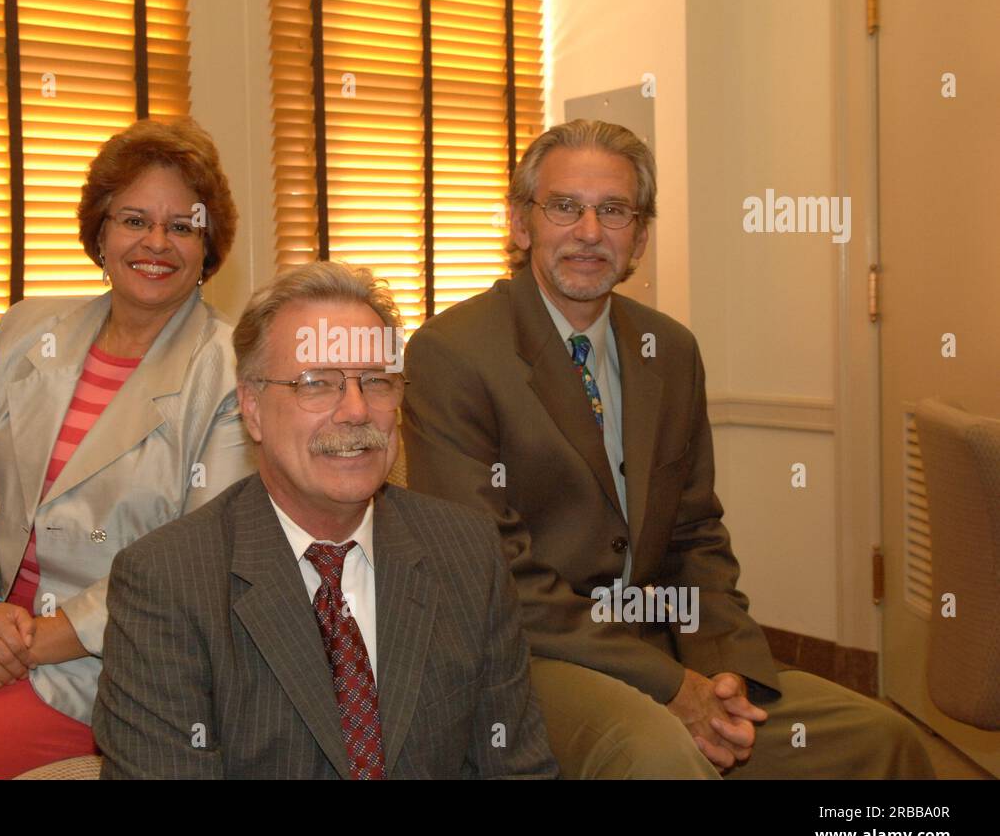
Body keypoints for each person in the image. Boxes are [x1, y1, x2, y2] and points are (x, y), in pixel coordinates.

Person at [402, 119, 934, 779]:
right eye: (565, 206)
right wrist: (675, 688)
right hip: (526, 660)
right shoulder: (452, 353)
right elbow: (494, 579)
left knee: (880, 738)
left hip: (664, 643)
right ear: (519, 224)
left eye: (615, 211)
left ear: (641, 237)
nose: (590, 232)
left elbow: (696, 533)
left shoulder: (670, 351)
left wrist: (727, 672)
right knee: (660, 758)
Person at [0, 118, 254, 779]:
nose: (156, 242)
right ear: (99, 231)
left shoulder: (230, 368)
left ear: (208, 247)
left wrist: (21, 646)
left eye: (182, 226)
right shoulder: (28, 330)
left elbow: (196, 566)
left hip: (117, 658)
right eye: (134, 219)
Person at [94, 262, 558, 779]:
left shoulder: (468, 551)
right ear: (252, 409)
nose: (357, 410)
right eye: (318, 383)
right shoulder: (166, 582)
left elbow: (516, 768)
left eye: (377, 382)